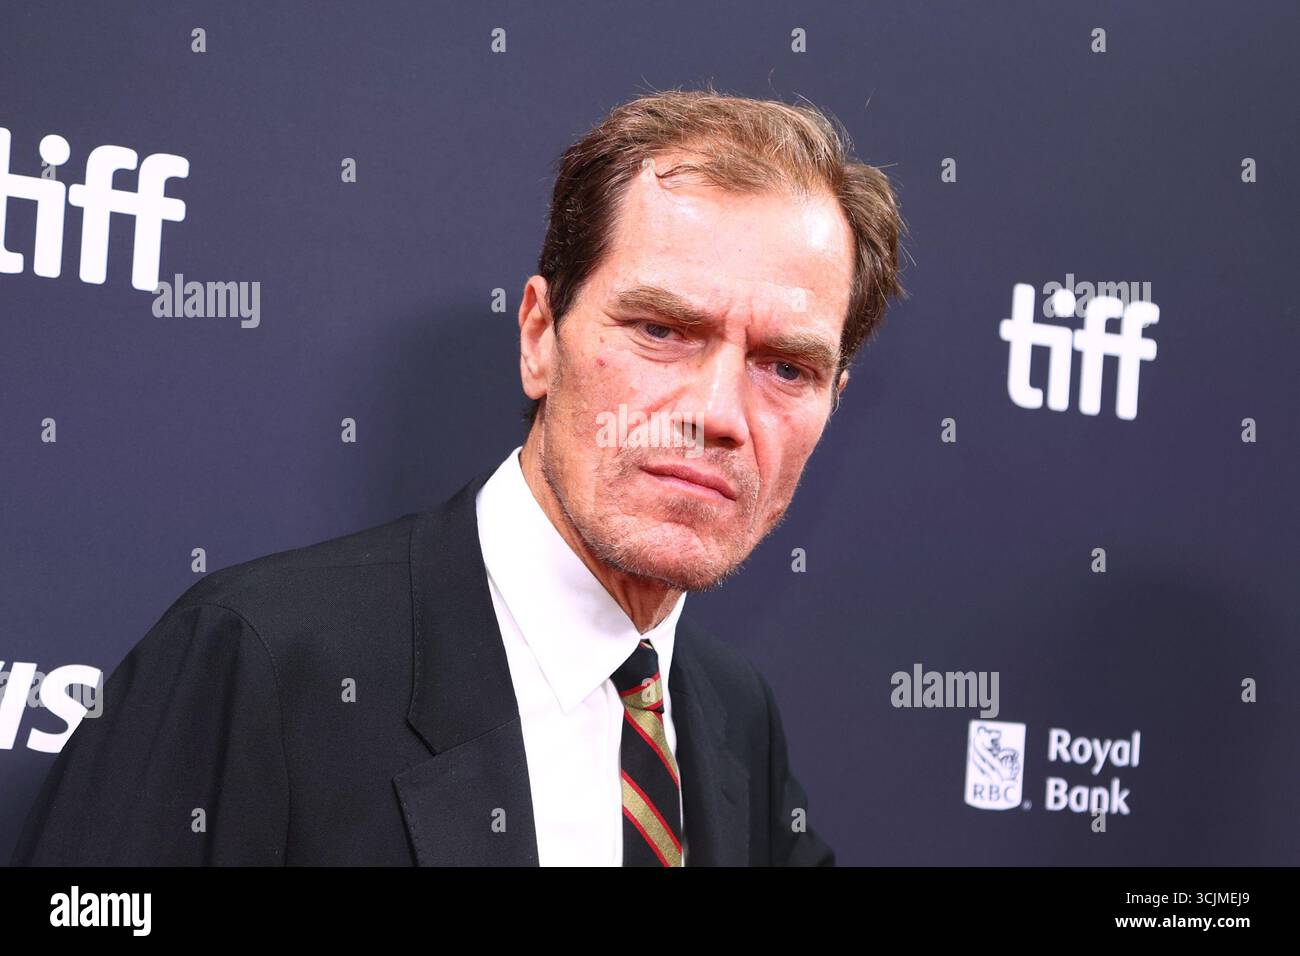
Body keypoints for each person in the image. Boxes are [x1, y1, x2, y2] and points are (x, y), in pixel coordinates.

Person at [11, 85, 906, 866]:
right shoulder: (256, 661)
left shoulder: (730, 714)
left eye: (786, 368)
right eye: (662, 331)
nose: (717, 413)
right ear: (538, 337)